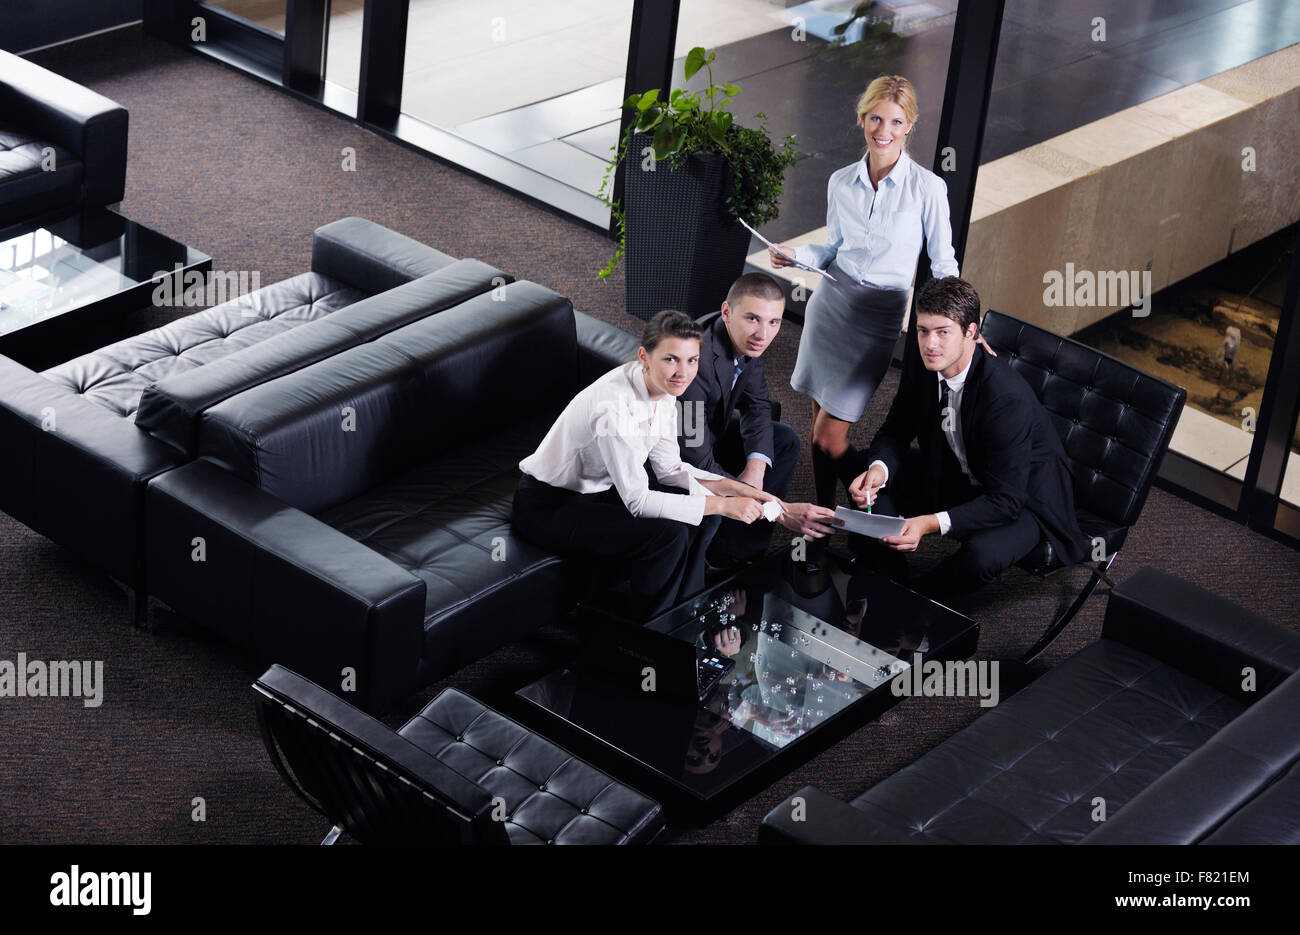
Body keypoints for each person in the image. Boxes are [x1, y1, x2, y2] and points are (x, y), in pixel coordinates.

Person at [770, 75, 961, 509]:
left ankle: (877, 507)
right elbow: (832, 246)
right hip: (831, 305)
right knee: (818, 422)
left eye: (895, 121)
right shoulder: (841, 182)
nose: (883, 130)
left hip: (878, 317)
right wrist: (795, 254)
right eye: (876, 118)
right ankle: (821, 518)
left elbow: (944, 263)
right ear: (862, 118)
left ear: (909, 125)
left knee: (828, 436)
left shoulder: (928, 189)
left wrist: (961, 322)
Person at [512, 310, 777, 620]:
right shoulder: (613, 409)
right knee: (668, 534)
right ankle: (652, 635)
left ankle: (686, 612)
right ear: (645, 356)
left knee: (690, 512)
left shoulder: (664, 390)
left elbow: (670, 468)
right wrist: (721, 505)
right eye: (671, 359)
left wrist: (737, 489)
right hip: (547, 506)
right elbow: (637, 502)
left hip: (597, 491)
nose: (683, 372)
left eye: (692, 360)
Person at [846, 276, 1087, 597]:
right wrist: (878, 470)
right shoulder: (924, 362)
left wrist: (928, 523)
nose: (930, 344)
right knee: (864, 475)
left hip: (1023, 498)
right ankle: (890, 578)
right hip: (957, 471)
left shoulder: (1004, 397)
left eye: (943, 332)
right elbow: (897, 428)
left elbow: (1006, 500)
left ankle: (921, 600)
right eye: (923, 331)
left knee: (982, 556)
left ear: (970, 333)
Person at [676, 272, 840, 565]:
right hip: (673, 459)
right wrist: (779, 510)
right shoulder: (693, 363)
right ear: (727, 312)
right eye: (752, 319)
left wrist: (755, 467)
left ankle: (739, 553)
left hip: (709, 432)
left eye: (773, 322)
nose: (763, 334)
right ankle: (718, 559)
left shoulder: (742, 340)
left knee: (783, 439)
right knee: (716, 500)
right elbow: (696, 462)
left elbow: (758, 405)